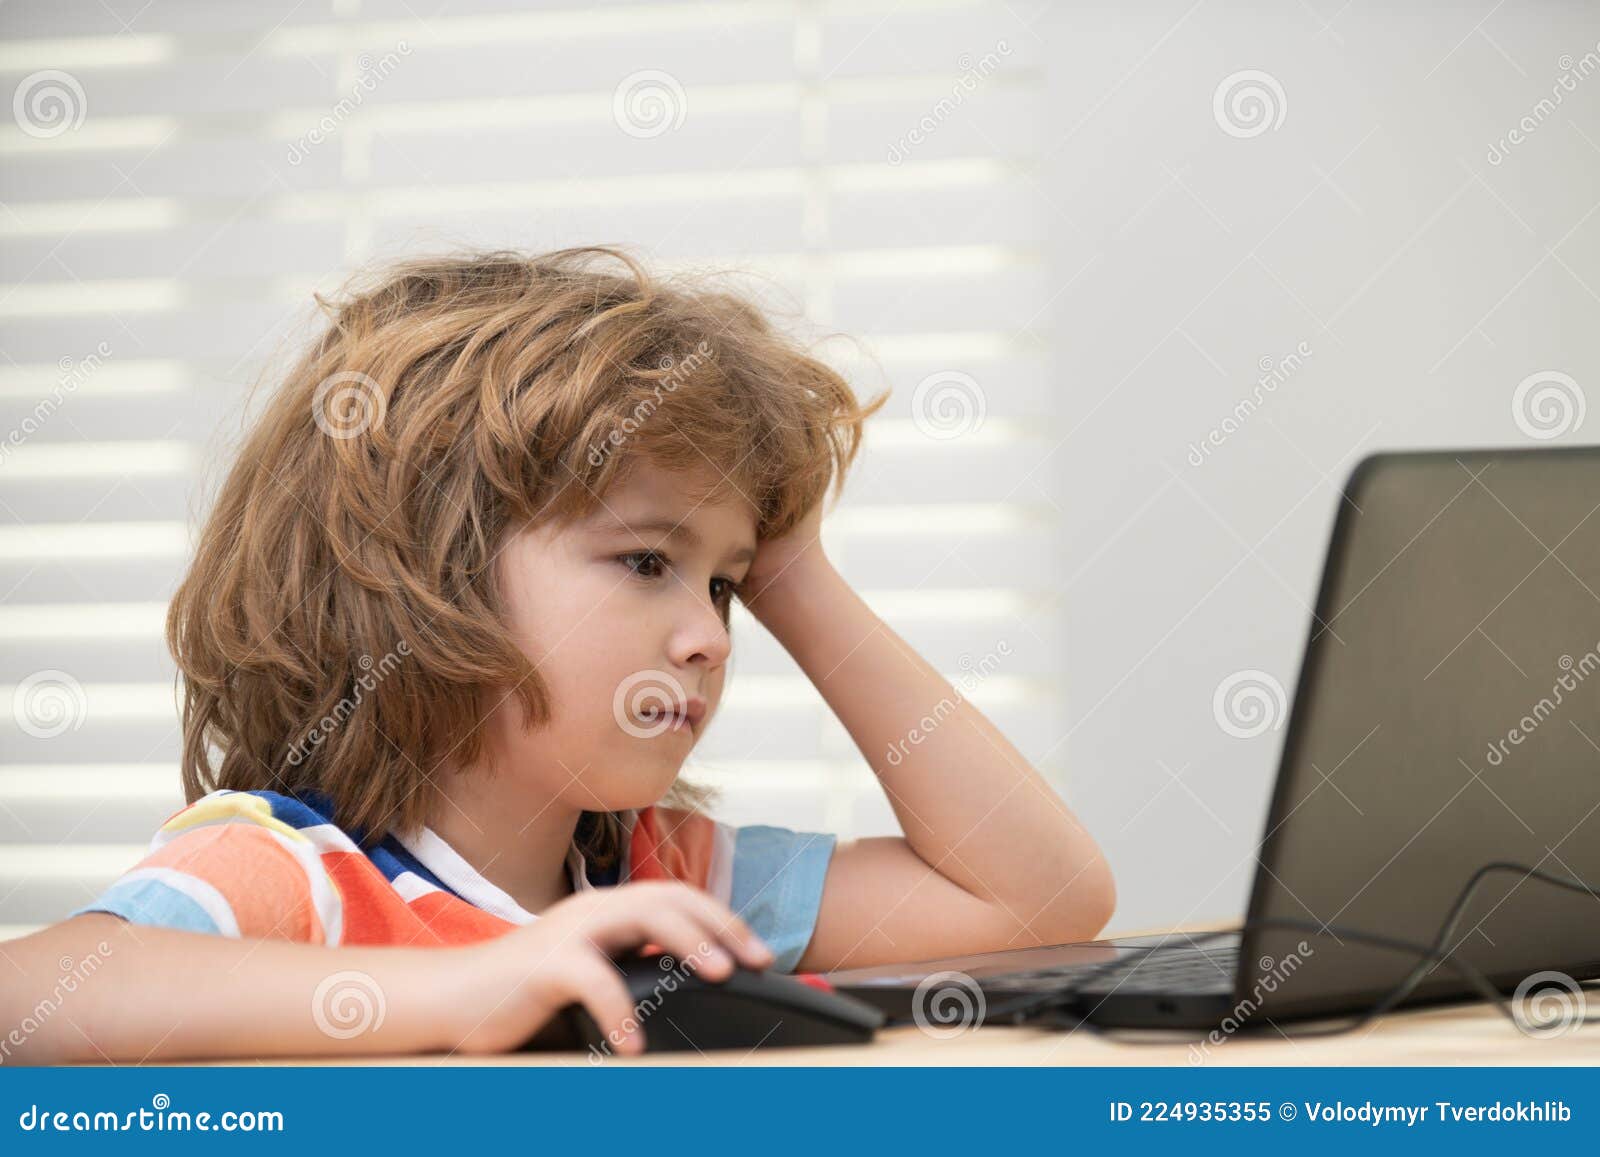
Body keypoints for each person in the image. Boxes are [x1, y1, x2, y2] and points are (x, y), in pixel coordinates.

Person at [2, 247, 1114, 1063]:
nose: (710, 635)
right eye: (645, 562)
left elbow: (1039, 894)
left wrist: (794, 571)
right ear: (421, 571)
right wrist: (468, 987)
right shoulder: (297, 873)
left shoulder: (657, 879)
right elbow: (31, 997)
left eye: (725, 584)